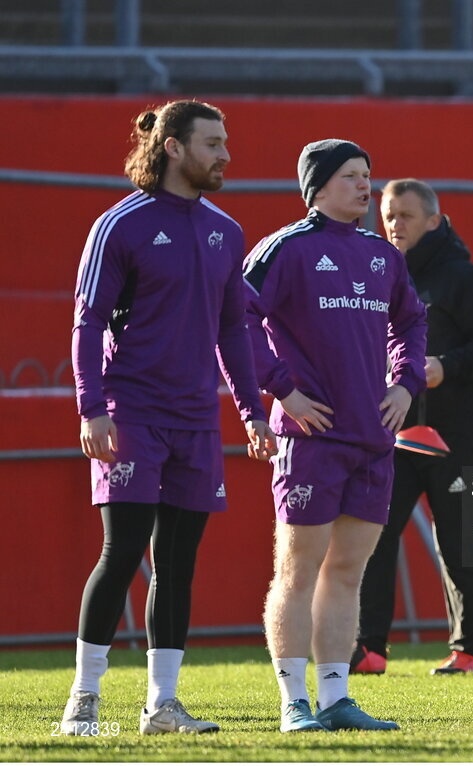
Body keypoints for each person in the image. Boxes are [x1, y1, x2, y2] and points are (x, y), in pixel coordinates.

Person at [61, 100, 276, 736]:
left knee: (178, 563)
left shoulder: (226, 231)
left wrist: (251, 412)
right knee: (123, 550)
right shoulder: (119, 225)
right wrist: (92, 407)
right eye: (212, 143)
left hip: (195, 421)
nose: (225, 155)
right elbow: (87, 320)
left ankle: (162, 704)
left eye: (225, 141)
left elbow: (233, 328)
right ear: (174, 147)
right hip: (131, 412)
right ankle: (85, 698)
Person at [244, 140, 427, 732]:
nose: (365, 185)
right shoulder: (285, 249)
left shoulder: (383, 256)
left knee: (348, 571)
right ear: (316, 186)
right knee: (299, 567)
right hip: (310, 440)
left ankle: (335, 697)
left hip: (372, 439)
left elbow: (411, 321)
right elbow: (238, 319)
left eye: (367, 175)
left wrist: (404, 383)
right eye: (351, 176)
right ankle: (293, 702)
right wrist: (282, 390)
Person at [352, 179, 473, 676]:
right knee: (374, 536)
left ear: (434, 221)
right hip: (392, 431)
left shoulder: (463, 278)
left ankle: (469, 650)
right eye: (387, 216)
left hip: (458, 432)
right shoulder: (377, 275)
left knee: (459, 538)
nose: (393, 225)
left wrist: (447, 365)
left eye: (404, 215)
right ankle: (369, 649)